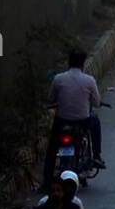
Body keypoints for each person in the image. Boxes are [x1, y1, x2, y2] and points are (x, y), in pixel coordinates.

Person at [42, 50, 105, 187]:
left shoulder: (58, 79)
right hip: (83, 121)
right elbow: (96, 102)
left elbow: (50, 99)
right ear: (82, 64)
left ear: (69, 63)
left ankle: (46, 181)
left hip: (63, 121)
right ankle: (96, 155)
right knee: (95, 121)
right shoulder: (89, 80)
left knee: (52, 149)